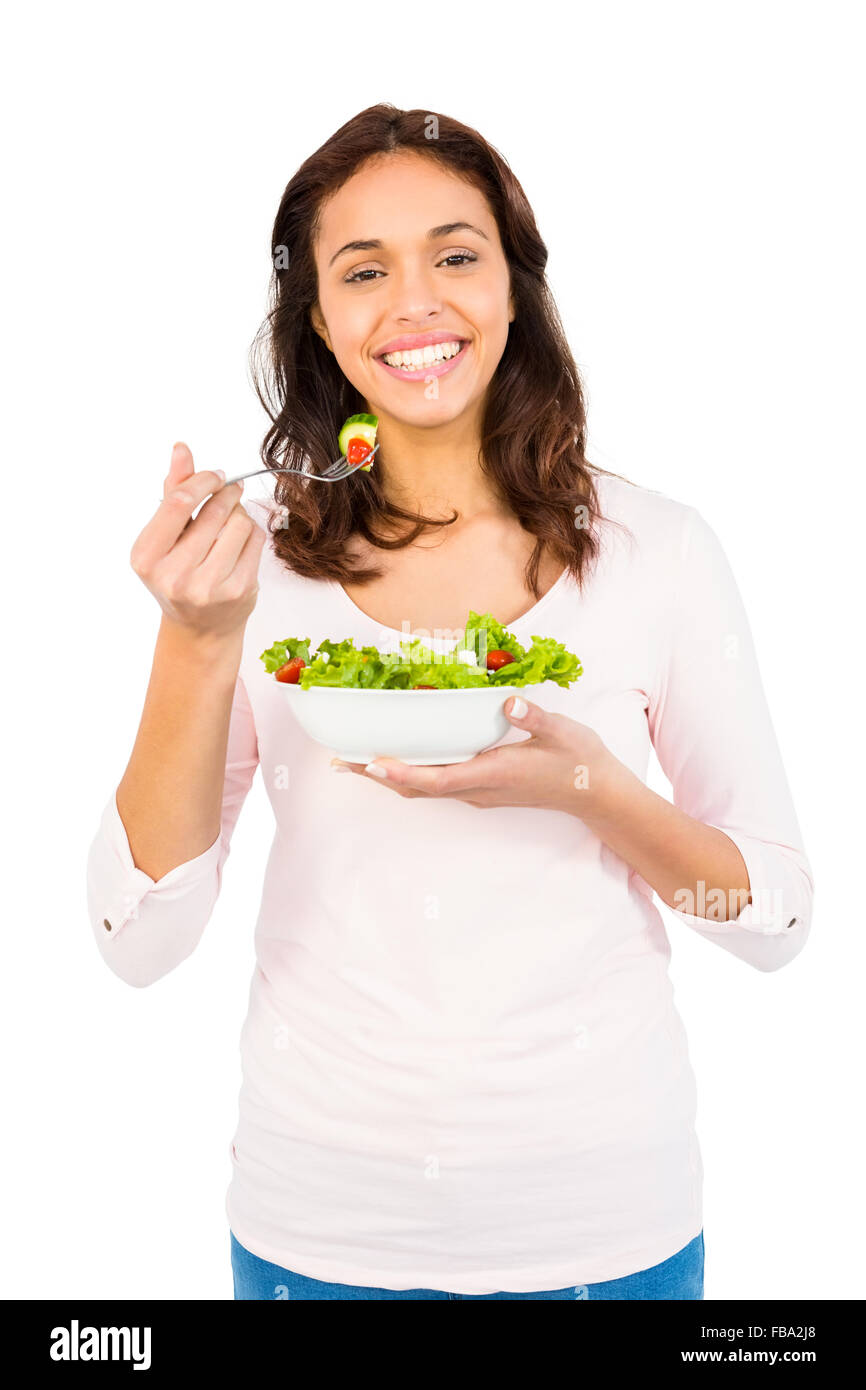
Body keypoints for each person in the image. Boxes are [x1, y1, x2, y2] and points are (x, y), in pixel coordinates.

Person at [86, 104, 814, 1301]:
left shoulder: (657, 551)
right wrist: (194, 638)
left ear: (514, 291)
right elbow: (141, 944)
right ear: (317, 318)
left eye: (455, 255)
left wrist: (585, 788)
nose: (416, 303)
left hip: (604, 1227)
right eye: (363, 270)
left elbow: (771, 923)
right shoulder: (247, 560)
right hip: (315, 1228)